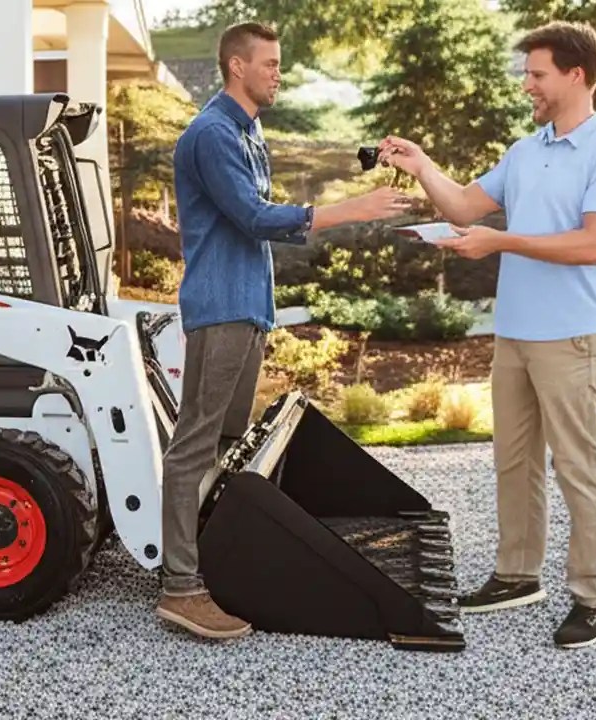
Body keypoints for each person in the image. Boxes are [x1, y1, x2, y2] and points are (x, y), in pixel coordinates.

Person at [378, 20, 596, 649]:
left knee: (580, 468)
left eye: (537, 73)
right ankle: (518, 574)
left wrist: (503, 239)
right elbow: (465, 206)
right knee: (513, 464)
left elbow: (591, 244)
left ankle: (591, 596)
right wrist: (421, 166)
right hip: (515, 334)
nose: (527, 85)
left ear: (576, 75)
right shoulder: (527, 151)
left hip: (571, 337)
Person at [156, 20, 414, 640]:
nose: (278, 73)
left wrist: (367, 165)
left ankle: (208, 562)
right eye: (269, 63)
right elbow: (251, 216)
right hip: (220, 307)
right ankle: (179, 587)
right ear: (236, 67)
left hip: (247, 307)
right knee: (194, 444)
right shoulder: (213, 133)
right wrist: (354, 208)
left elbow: (264, 211)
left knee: (224, 440)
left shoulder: (247, 131)